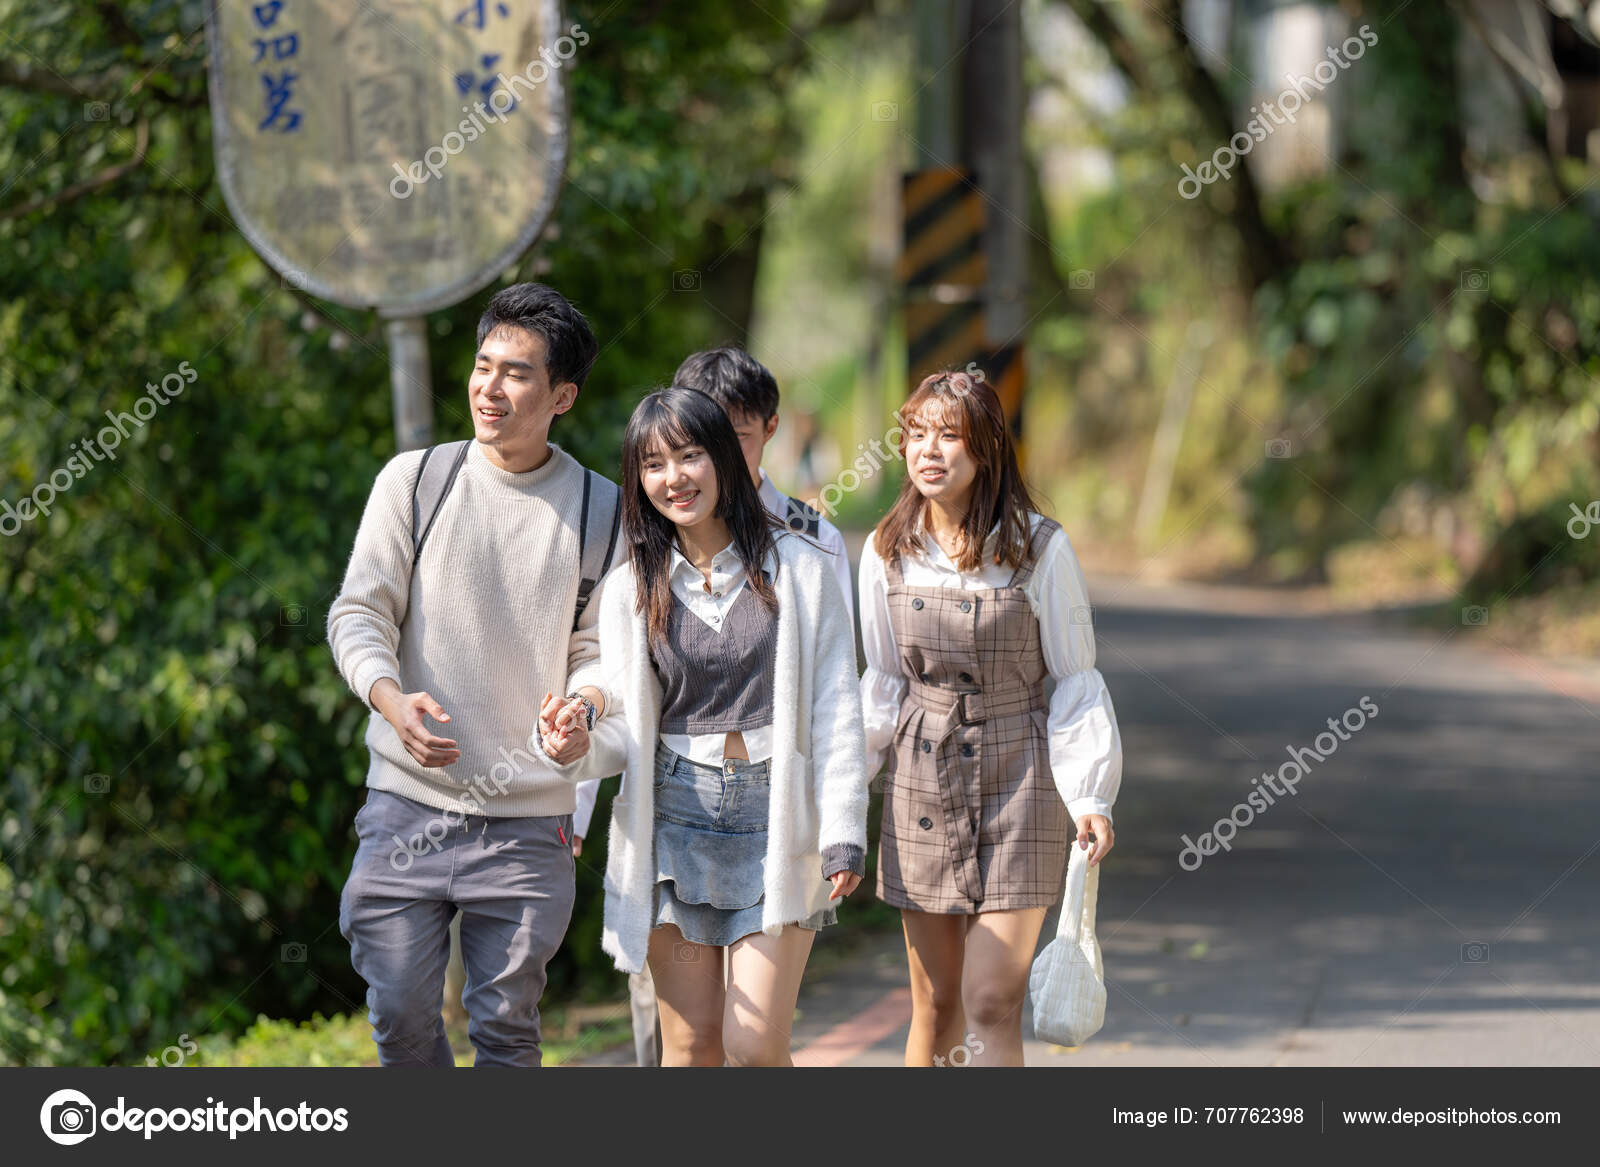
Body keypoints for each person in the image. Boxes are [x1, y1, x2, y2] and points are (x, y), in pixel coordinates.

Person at [328, 282, 623, 1068]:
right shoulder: (415, 481)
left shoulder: (604, 513)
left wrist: (584, 711)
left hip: (530, 820)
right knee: (399, 1014)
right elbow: (358, 613)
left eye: (517, 373)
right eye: (483, 365)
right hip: (406, 805)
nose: (490, 389)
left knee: (505, 1029)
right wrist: (390, 701)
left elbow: (604, 652)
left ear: (562, 394)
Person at [557, 386, 868, 1066]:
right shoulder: (632, 587)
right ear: (638, 481)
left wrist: (844, 827)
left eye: (691, 455)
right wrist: (580, 734)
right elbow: (623, 710)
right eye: (654, 464)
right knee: (692, 1043)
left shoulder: (803, 568)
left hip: (777, 815)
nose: (675, 477)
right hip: (674, 818)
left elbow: (837, 708)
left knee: (755, 1045)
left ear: (723, 457)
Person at [858, 369, 1123, 1067]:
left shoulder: (1039, 549)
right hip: (922, 773)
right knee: (937, 1004)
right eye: (916, 434)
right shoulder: (888, 549)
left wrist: (1090, 795)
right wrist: (841, 787)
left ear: (986, 450)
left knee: (991, 999)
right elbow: (883, 680)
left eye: (950, 435)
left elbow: (1074, 679)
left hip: (1021, 774)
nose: (929, 450)